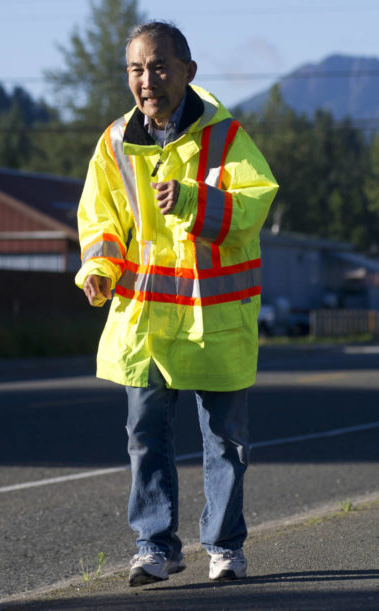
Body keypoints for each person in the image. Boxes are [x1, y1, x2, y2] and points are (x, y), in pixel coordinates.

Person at [73, 21, 278, 587]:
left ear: (188, 71)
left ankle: (225, 548)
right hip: (146, 321)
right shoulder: (114, 142)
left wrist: (193, 201)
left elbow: (254, 204)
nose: (148, 79)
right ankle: (155, 546)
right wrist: (97, 268)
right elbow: (101, 220)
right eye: (137, 69)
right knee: (144, 436)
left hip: (214, 318)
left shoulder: (226, 137)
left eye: (159, 66)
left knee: (225, 441)